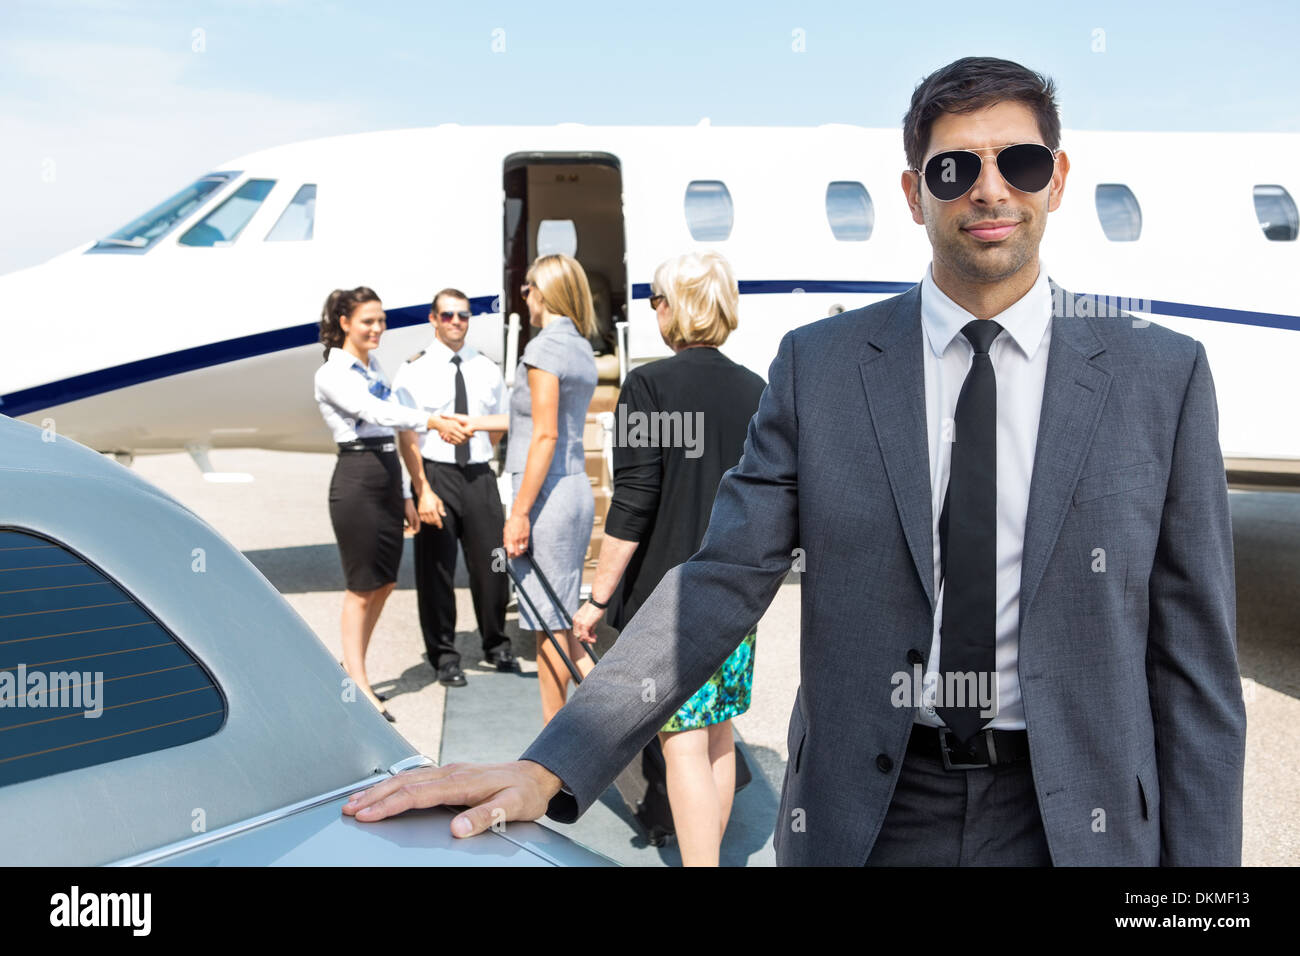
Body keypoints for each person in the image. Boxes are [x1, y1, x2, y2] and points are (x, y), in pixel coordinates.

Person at [344, 57, 1247, 867]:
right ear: (912, 191)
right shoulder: (823, 369)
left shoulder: (1157, 377)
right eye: (954, 168)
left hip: (1077, 822)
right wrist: (552, 763)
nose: (988, 190)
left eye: (1019, 162)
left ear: (1056, 181)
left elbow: (1195, 668)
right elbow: (721, 579)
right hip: (875, 815)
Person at [568, 251, 764, 866]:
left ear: (676, 307)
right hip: (737, 591)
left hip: (670, 601)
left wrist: (596, 598)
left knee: (680, 739)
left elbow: (633, 504)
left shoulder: (648, 386)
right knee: (721, 728)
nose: (652, 309)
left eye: (656, 298)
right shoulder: (756, 388)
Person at [451, 255, 599, 724]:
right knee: (558, 622)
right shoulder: (577, 345)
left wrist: (518, 513)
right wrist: (475, 423)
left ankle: (556, 747)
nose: (524, 296)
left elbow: (544, 434)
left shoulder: (542, 350)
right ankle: (607, 724)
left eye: (527, 287)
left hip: (546, 498)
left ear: (543, 290)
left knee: (550, 630)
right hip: (571, 490)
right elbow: (538, 422)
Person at [313, 286, 456, 722]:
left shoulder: (373, 364)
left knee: (386, 581)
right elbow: (375, 413)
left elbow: (392, 430)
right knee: (361, 585)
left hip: (385, 475)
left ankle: (353, 664)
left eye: (380, 320)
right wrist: (430, 418)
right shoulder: (332, 374)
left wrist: (409, 493)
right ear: (344, 324)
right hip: (357, 478)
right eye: (367, 321)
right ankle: (356, 679)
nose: (378, 329)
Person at [392, 289, 514, 688]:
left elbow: (499, 422)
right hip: (437, 475)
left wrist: (479, 451)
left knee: (493, 563)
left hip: (478, 475)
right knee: (436, 571)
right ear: (433, 318)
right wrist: (421, 487)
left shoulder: (486, 367)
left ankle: (495, 643)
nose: (457, 321)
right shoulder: (413, 369)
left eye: (463, 315)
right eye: (448, 315)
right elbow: (406, 434)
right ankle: (444, 655)